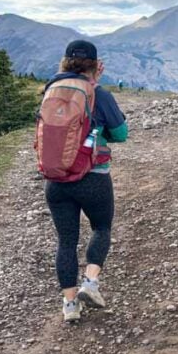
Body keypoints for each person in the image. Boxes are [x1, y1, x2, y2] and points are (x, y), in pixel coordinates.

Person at [43, 40, 128, 322]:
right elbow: (121, 133)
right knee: (101, 228)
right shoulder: (98, 94)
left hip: (55, 179)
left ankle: (69, 307)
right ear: (95, 65)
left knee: (66, 241)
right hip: (93, 177)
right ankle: (90, 284)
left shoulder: (51, 89)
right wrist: (95, 85)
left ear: (65, 62)